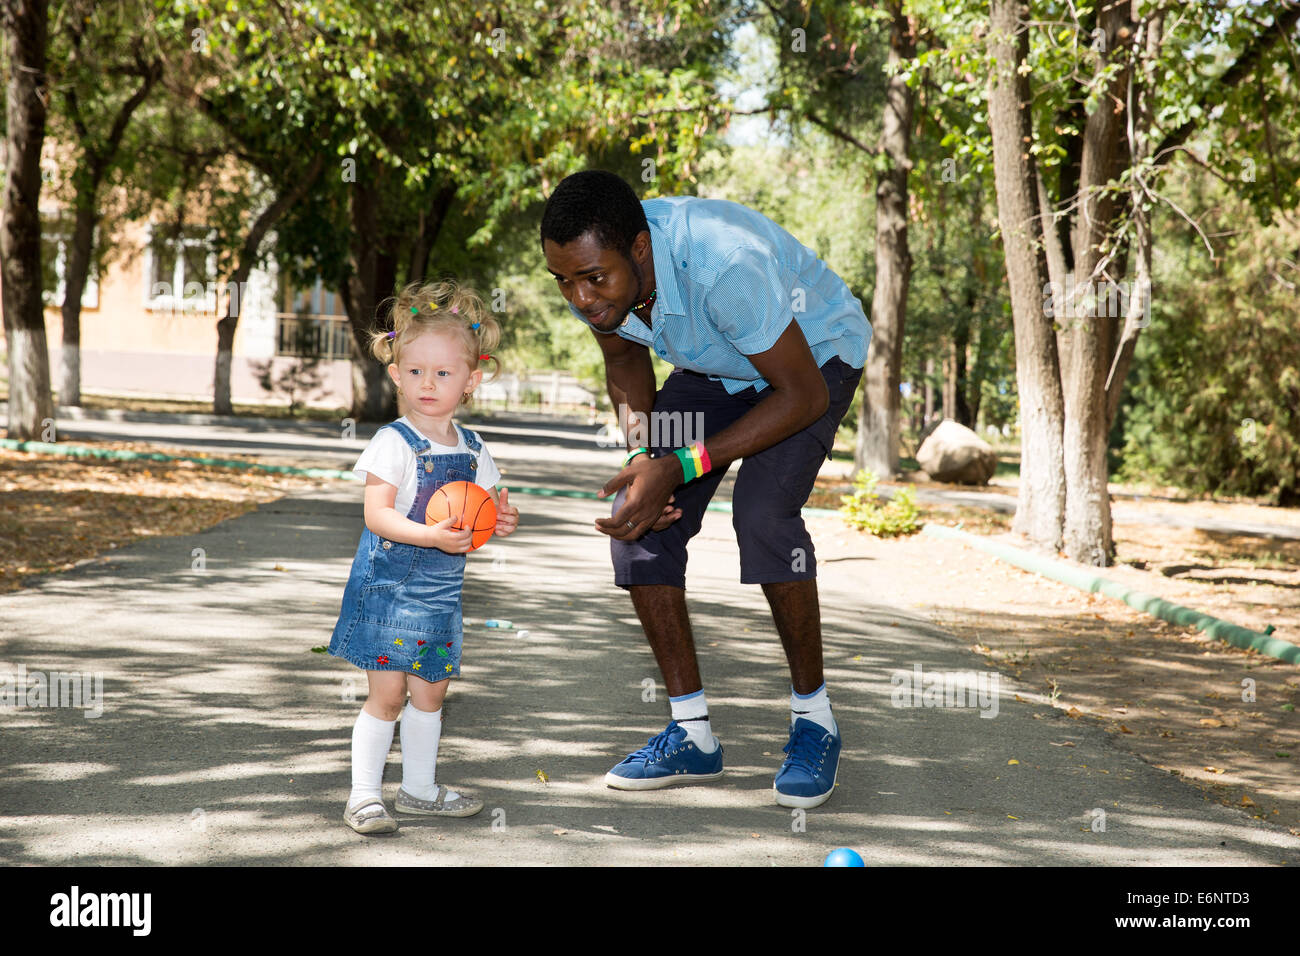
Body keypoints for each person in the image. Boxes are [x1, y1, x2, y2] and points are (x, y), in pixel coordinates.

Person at [540, 170, 871, 809]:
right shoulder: (600, 279)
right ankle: (691, 733)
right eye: (564, 281)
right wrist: (645, 455)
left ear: (639, 249)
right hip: (715, 365)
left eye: (592, 279)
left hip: (812, 360)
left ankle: (815, 720)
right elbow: (624, 361)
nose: (580, 298)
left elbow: (802, 396)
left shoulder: (724, 264)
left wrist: (684, 462)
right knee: (638, 515)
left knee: (763, 513)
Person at [328, 280, 520, 834]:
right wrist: (430, 535)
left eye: (443, 373)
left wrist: (501, 521)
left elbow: (486, 513)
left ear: (471, 381)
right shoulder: (393, 441)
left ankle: (418, 790)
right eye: (415, 372)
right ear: (396, 375)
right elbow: (377, 516)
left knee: (431, 693)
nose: (428, 384)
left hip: (439, 597)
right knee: (387, 695)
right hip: (389, 590)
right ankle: (363, 795)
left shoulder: (474, 448)